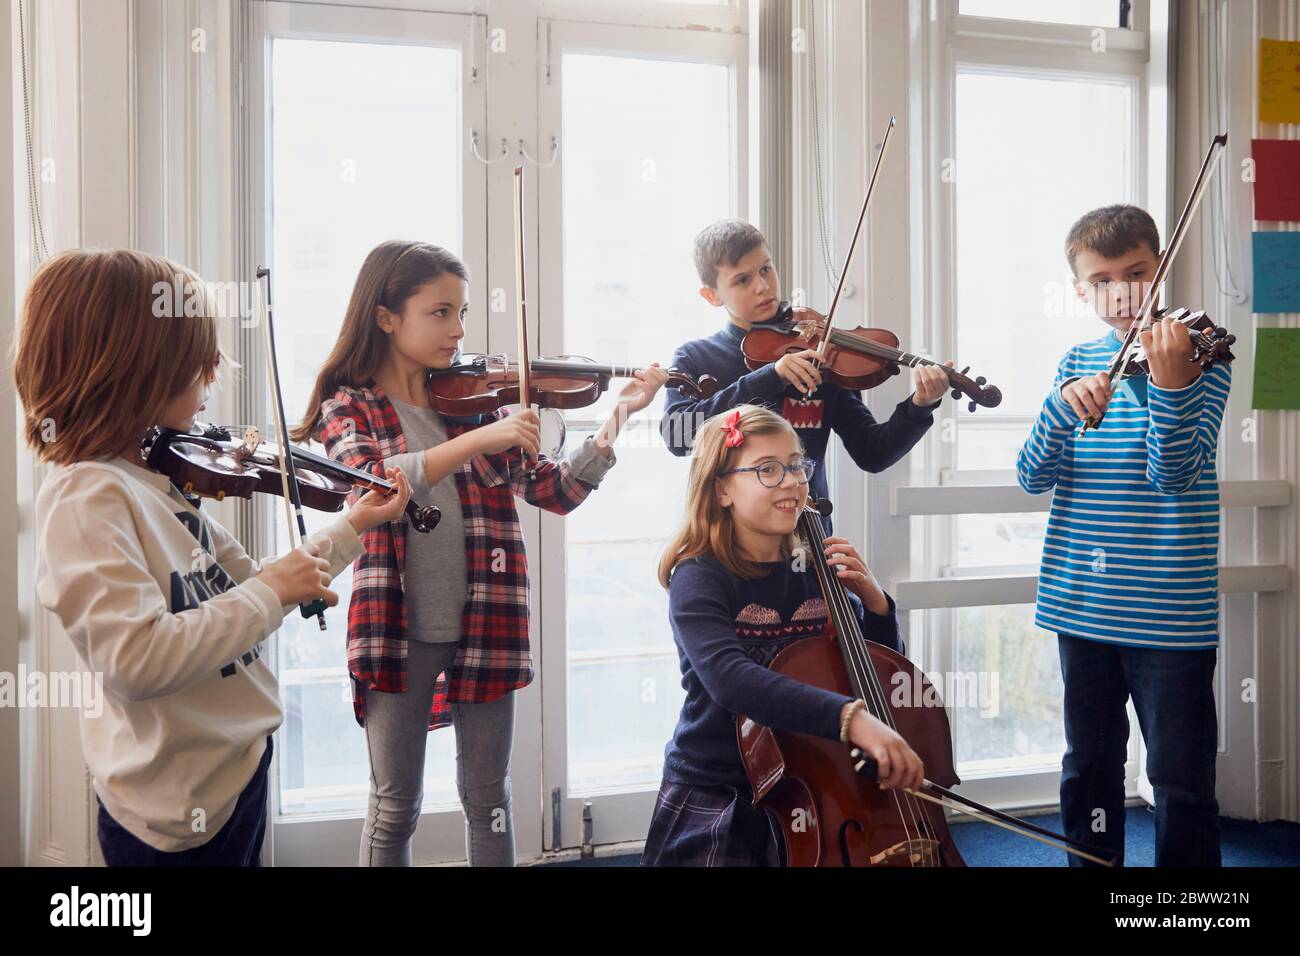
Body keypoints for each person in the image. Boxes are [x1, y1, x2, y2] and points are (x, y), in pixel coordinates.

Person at [15, 248, 412, 866]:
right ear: (132, 368)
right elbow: (136, 659)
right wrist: (272, 590)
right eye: (197, 360)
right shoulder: (87, 497)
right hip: (175, 814)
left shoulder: (151, 479)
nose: (216, 372)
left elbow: (253, 585)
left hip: (234, 772)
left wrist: (351, 526)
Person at [294, 240, 667, 866]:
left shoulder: (473, 403)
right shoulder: (349, 404)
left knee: (489, 796)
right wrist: (483, 438)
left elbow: (555, 489)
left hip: (486, 621)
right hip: (397, 629)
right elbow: (373, 482)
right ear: (386, 316)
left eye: (462, 312)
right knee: (394, 805)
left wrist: (618, 418)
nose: (459, 330)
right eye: (440, 312)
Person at [1017, 204, 1231, 867]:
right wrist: (1059, 408)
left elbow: (1174, 476)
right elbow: (1032, 477)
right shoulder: (1076, 361)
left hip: (1169, 610)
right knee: (1090, 766)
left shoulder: (1200, 351)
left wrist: (1170, 388)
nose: (1123, 293)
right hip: (1080, 604)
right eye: (1102, 280)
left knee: (1181, 778)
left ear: (1160, 266)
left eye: (1137, 273)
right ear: (1081, 289)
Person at [643, 404, 923, 866]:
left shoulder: (814, 568)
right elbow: (731, 679)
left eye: (796, 465)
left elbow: (873, 674)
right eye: (768, 470)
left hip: (817, 780)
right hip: (723, 785)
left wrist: (877, 606)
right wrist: (851, 720)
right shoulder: (699, 576)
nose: (792, 481)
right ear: (722, 489)